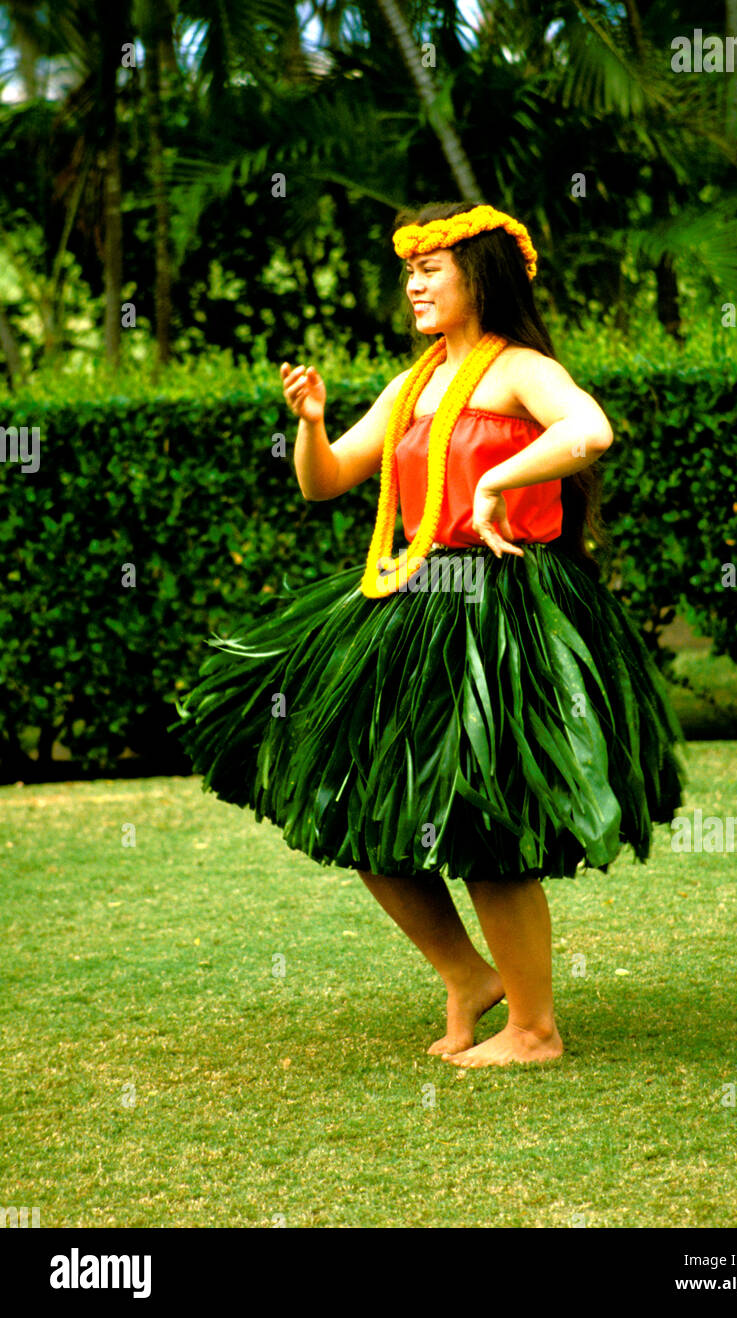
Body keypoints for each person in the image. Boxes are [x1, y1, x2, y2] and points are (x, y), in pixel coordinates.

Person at [172, 201, 687, 1069]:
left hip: (503, 609)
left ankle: (535, 1029)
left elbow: (588, 431)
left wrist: (497, 481)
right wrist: (309, 424)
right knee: (353, 798)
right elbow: (329, 480)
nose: (412, 285)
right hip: (414, 603)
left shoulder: (520, 369)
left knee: (483, 820)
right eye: (409, 272)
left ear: (477, 276)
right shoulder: (413, 383)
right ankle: (465, 974)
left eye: (430, 271)